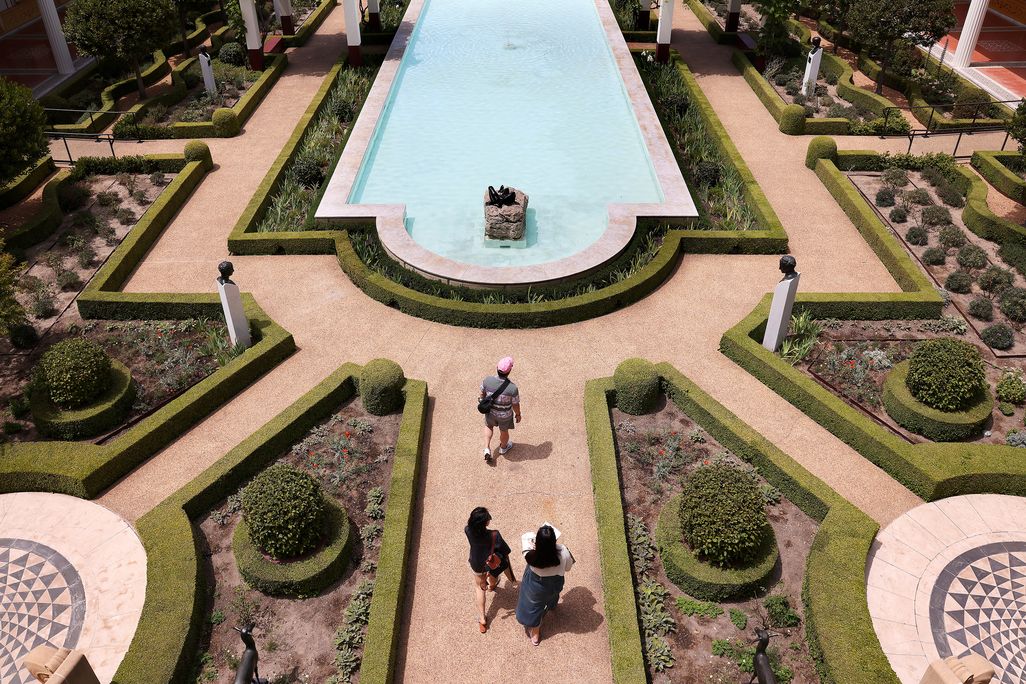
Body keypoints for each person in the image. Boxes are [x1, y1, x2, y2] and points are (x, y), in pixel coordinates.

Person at [515, 524, 575, 646]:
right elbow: (568, 568)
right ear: (554, 540)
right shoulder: (563, 551)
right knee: (553, 594)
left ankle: (535, 634)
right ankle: (552, 605)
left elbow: (526, 536)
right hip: (555, 582)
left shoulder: (530, 554)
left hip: (535, 585)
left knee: (534, 607)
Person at [465, 507, 516, 633]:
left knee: (479, 587)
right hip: (491, 563)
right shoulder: (494, 535)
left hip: (476, 562)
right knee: (493, 574)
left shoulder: (467, 530)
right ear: (485, 523)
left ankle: (482, 618)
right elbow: (506, 551)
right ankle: (492, 586)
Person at [480, 356, 521, 462]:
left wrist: (481, 400)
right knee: (504, 432)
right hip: (505, 416)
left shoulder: (487, 380)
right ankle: (503, 447)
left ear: (497, 368)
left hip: (491, 412)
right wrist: (518, 414)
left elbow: (482, 394)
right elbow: (515, 404)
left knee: (489, 426)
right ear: (509, 371)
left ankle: (487, 448)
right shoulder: (513, 388)